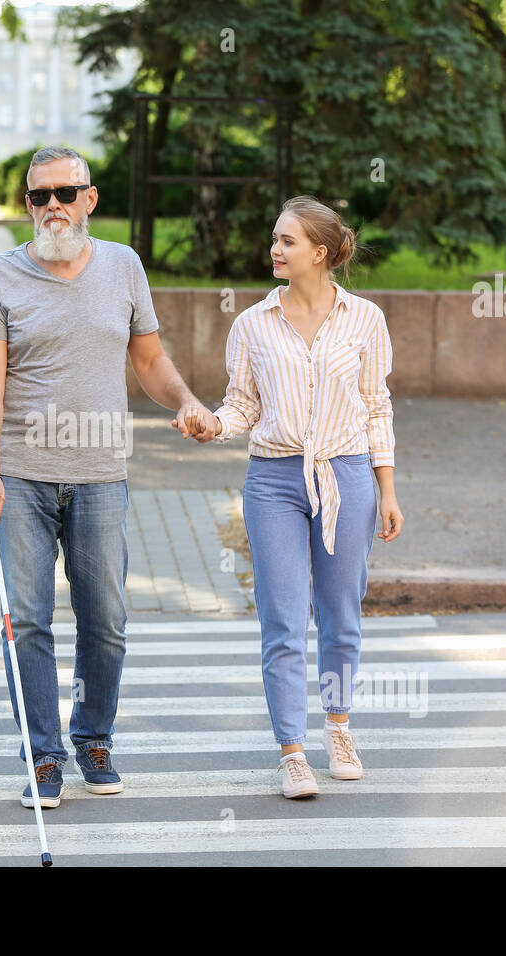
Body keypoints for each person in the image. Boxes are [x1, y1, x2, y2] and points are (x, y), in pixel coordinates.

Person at [0, 145, 213, 808]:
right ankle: (44, 757)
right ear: (27, 205)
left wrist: (187, 401)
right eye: (39, 196)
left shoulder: (124, 267)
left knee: (105, 617)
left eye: (65, 193)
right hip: (21, 475)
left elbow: (151, 361)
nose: (53, 207)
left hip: (101, 473)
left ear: (90, 198)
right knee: (27, 619)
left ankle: (93, 737)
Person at [183, 195, 404, 798]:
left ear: (321, 253)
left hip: (348, 475)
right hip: (274, 480)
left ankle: (338, 729)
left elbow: (376, 406)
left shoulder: (365, 320)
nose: (275, 250)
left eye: (287, 241)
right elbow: (244, 405)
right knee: (282, 620)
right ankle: (292, 751)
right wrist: (213, 425)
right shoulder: (253, 324)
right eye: (275, 239)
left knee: (340, 616)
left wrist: (387, 489)